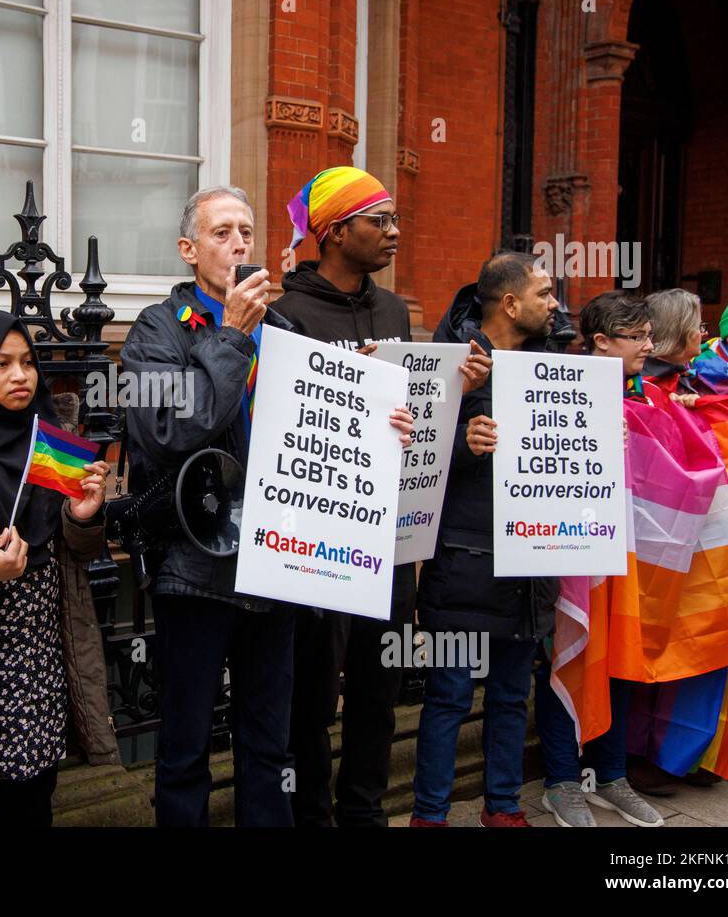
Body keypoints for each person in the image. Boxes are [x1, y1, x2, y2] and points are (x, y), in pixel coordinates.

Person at [121, 185, 411, 827]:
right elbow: (170, 431)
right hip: (194, 570)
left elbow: (321, 437)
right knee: (186, 750)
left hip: (276, 568)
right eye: (221, 233)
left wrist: (375, 417)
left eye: (247, 232)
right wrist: (229, 338)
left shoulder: (281, 329)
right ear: (188, 250)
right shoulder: (156, 330)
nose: (240, 244)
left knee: (267, 745)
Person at [273, 166, 486, 827]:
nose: (395, 232)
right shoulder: (288, 313)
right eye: (380, 221)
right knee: (313, 694)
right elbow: (283, 420)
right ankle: (313, 813)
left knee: (378, 684)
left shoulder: (394, 309)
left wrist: (462, 382)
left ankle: (363, 811)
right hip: (320, 533)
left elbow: (416, 407)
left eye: (395, 219)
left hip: (392, 534)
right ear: (335, 232)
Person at [0, 309, 119, 827]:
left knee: (32, 797)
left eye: (28, 362)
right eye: (2, 364)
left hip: (39, 649)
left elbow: (80, 552)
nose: (21, 376)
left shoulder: (51, 433)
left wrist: (83, 517)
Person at [409, 252, 571, 827]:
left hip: (529, 562)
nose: (556, 305)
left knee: (509, 697)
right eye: (546, 293)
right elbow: (407, 451)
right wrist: (461, 440)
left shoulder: (555, 368)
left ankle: (502, 808)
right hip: (465, 560)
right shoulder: (448, 363)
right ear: (510, 303)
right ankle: (429, 814)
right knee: (449, 697)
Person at [533, 290, 664, 827]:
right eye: (637, 337)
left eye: (650, 335)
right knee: (569, 653)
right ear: (602, 342)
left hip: (629, 556)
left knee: (620, 658)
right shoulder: (556, 389)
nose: (649, 346)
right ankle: (562, 781)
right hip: (571, 553)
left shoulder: (649, 396)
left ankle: (610, 778)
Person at [643, 288, 704, 401]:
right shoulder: (647, 384)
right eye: (699, 326)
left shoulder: (681, 373)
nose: (704, 333)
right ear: (680, 333)